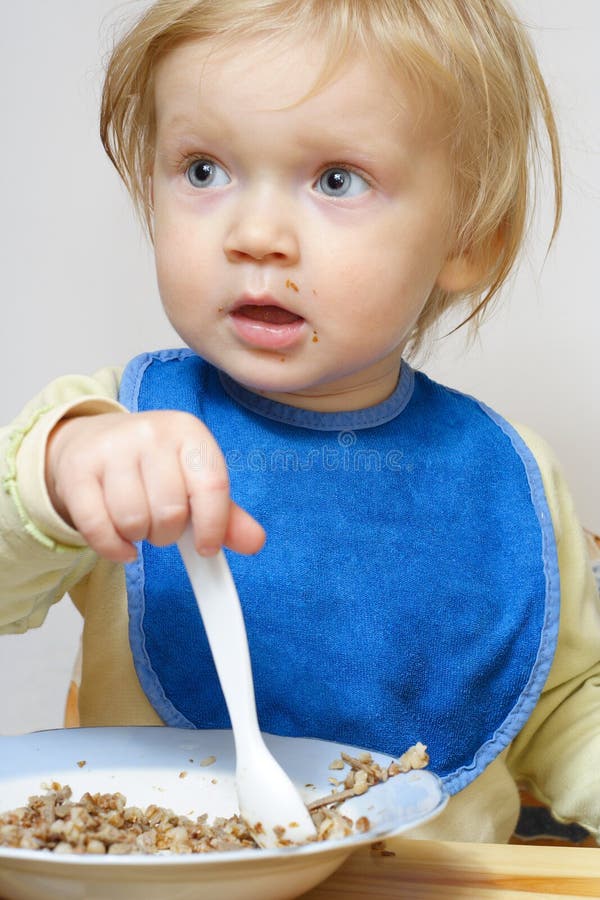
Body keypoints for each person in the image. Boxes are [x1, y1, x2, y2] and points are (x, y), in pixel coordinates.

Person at [0, 0, 598, 844]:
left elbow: (563, 700)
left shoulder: (507, 476)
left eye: (336, 180)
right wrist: (57, 477)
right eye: (204, 170)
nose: (255, 236)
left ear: (474, 237)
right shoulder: (110, 428)